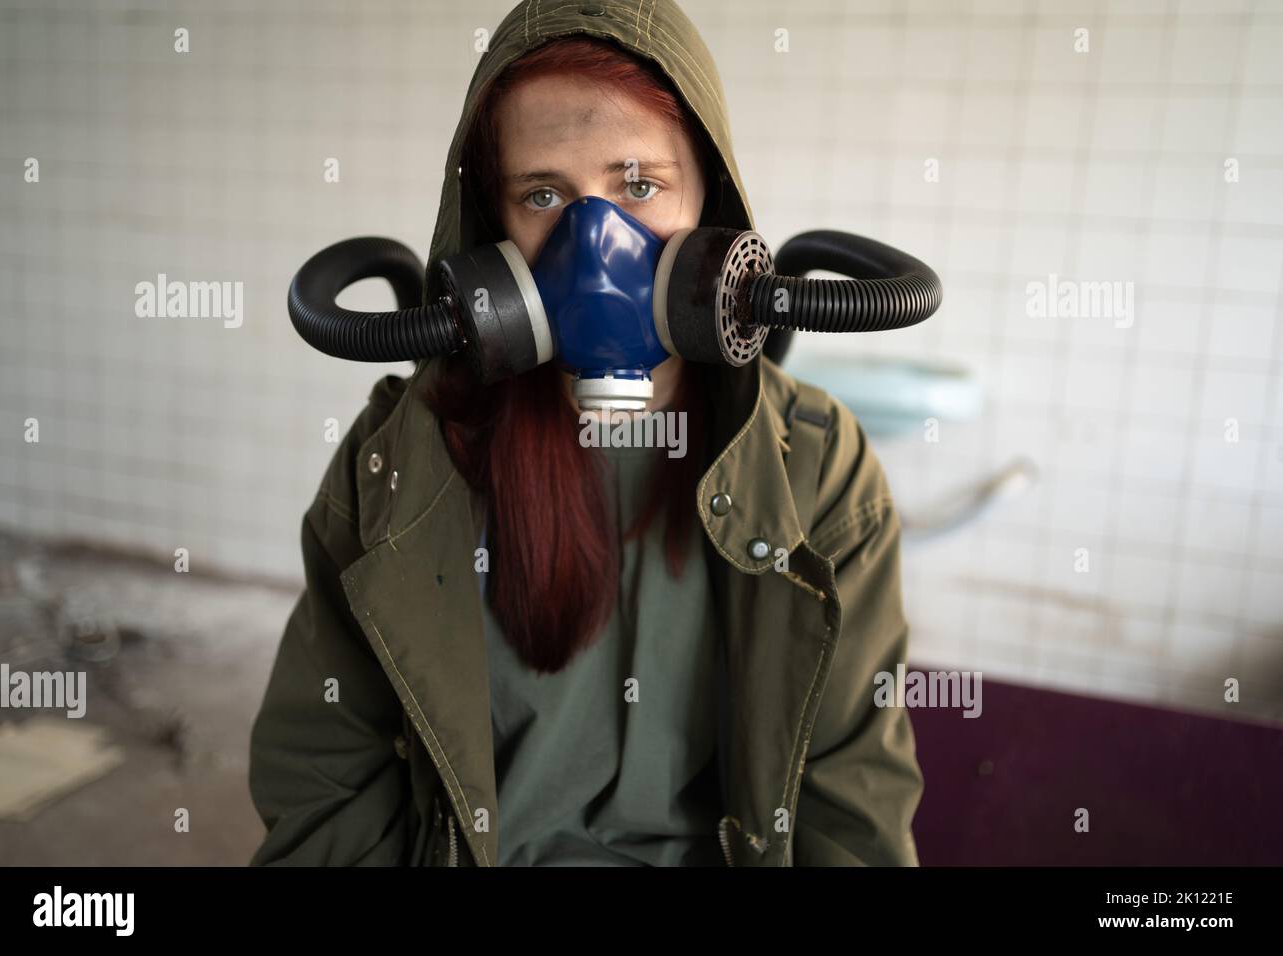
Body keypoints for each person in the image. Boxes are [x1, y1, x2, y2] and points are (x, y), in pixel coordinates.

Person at [248, 0, 923, 867]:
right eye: (542, 195)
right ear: (494, 238)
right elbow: (325, 785)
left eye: (639, 185)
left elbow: (852, 806)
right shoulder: (398, 468)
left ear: (710, 208)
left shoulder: (820, 470)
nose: (594, 243)